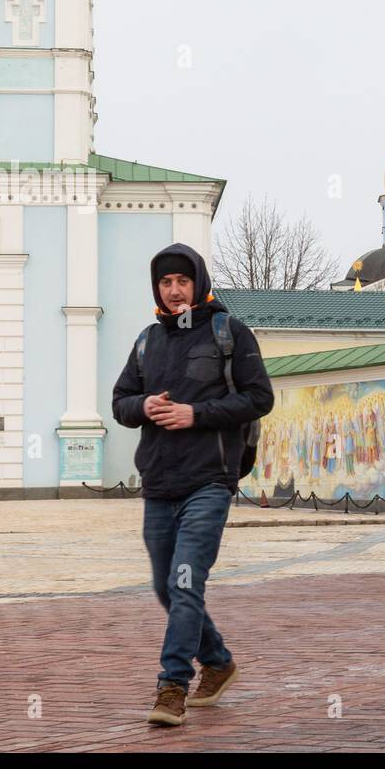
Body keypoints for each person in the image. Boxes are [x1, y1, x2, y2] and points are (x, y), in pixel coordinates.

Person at [112, 243, 275, 727]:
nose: (175, 290)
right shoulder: (147, 341)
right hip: (160, 482)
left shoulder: (230, 333)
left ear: (198, 283)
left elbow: (258, 397)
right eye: (166, 282)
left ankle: (172, 686)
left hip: (210, 479)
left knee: (186, 581)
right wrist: (144, 407)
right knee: (167, 587)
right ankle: (220, 662)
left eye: (182, 281)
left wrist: (196, 414)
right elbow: (121, 401)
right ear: (157, 289)